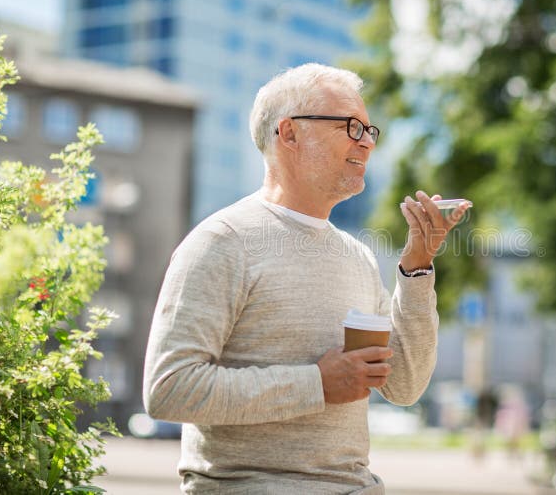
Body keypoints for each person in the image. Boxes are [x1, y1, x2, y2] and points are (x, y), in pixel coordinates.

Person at [142, 63, 470, 494]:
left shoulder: (357, 257)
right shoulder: (221, 242)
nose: (367, 143)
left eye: (370, 131)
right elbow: (169, 389)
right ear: (290, 133)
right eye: (351, 127)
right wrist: (316, 384)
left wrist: (417, 267)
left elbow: (404, 385)